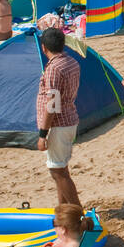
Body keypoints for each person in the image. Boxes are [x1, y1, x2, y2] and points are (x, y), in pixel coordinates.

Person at [37, 28, 82, 208]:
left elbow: (52, 105)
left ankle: (78, 215)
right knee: (61, 169)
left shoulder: (54, 69)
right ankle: (63, 210)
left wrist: (42, 134)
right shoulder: (72, 62)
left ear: (44, 48)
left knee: (58, 173)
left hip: (58, 125)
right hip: (70, 119)